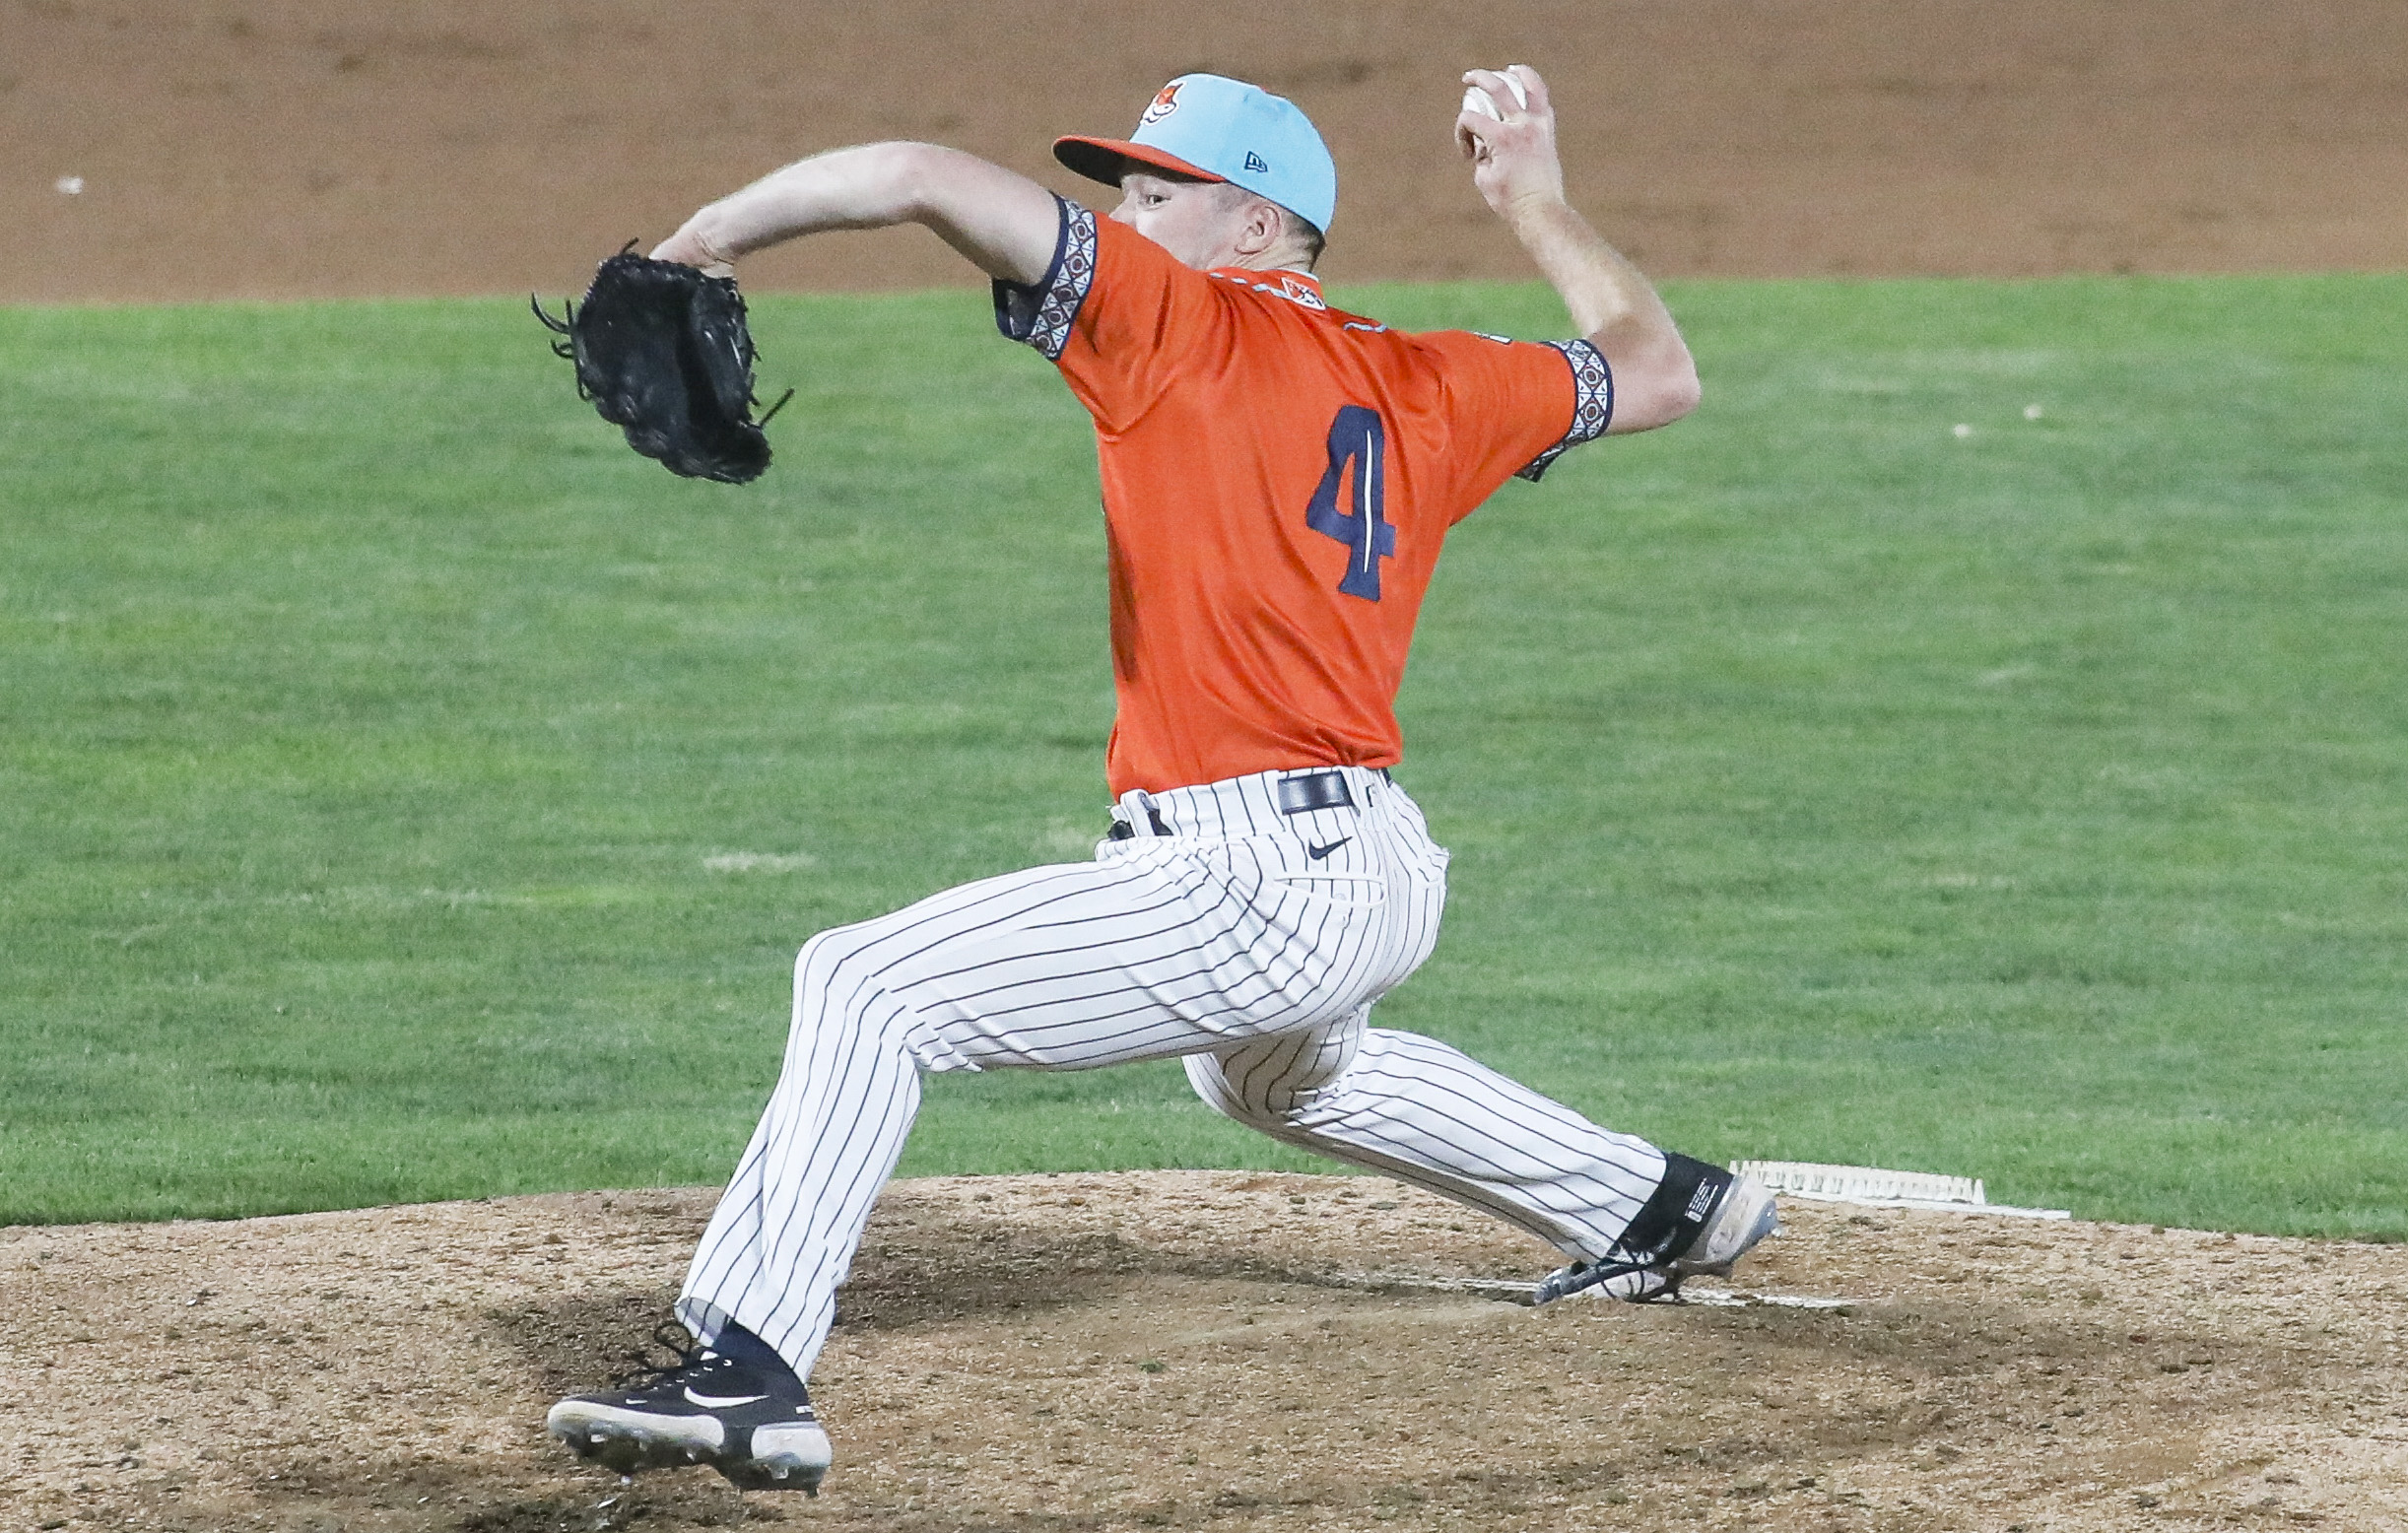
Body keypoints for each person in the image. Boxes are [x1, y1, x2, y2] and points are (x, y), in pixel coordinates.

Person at [544, 66, 1776, 1497]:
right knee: (1274, 1080)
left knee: (866, 984)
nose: (1120, 218)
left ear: (1258, 227)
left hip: (1251, 880)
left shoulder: (1175, 322)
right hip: (1365, 864)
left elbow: (912, 172)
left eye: (1154, 193)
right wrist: (1538, 205)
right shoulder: (1435, 380)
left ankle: (746, 1368)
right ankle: (1656, 1207)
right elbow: (1659, 366)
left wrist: (698, 239)